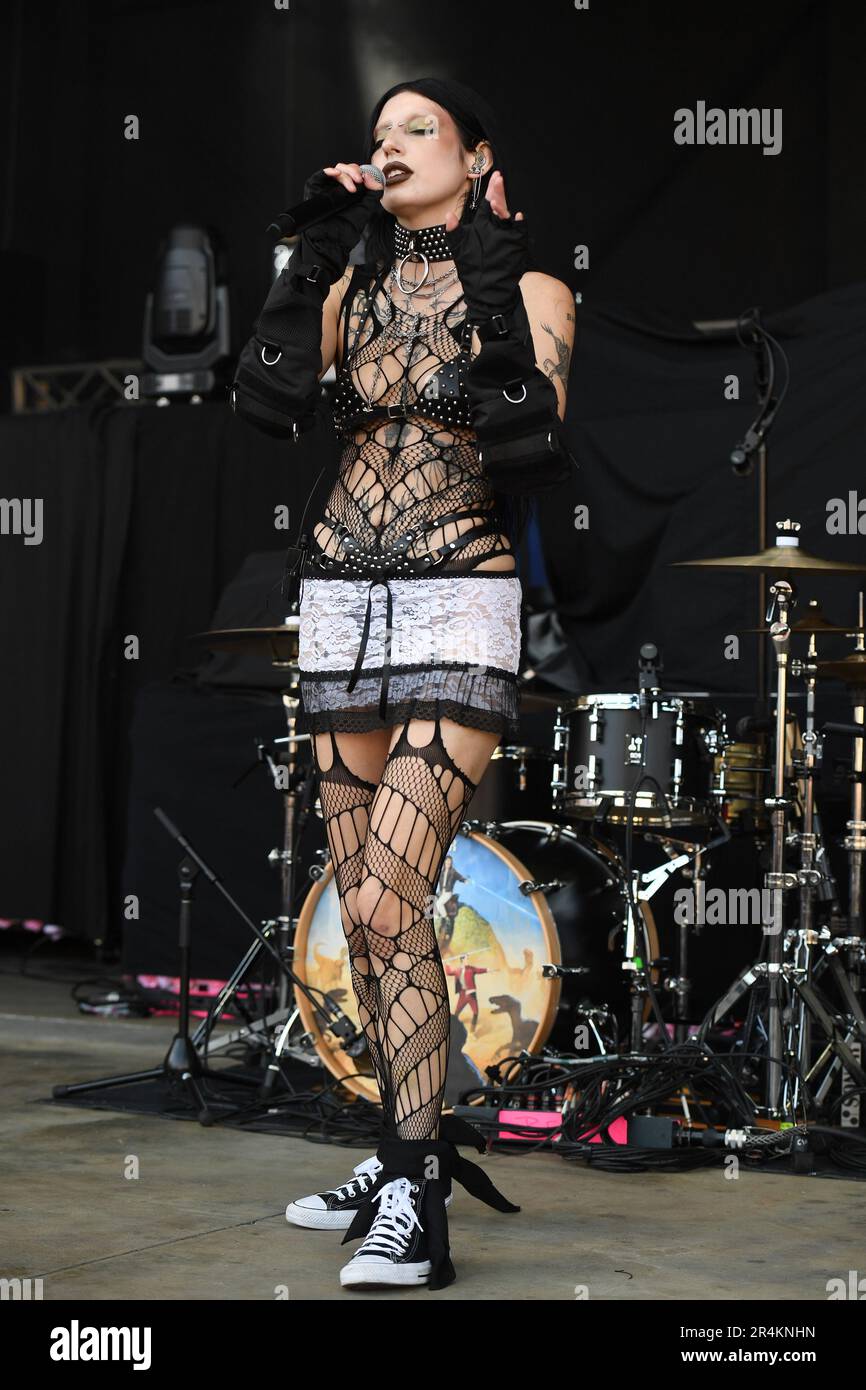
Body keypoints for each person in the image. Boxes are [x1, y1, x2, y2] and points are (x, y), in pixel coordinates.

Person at [263, 76, 575, 1290]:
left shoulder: (536, 291)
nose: (387, 146)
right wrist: (314, 250)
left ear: (474, 154)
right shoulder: (352, 279)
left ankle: (414, 1196)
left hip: (457, 587)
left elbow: (528, 427)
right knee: (361, 907)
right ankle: (408, 1147)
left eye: (417, 130)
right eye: (377, 133)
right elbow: (277, 392)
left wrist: (487, 268)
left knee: (392, 901)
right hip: (339, 594)